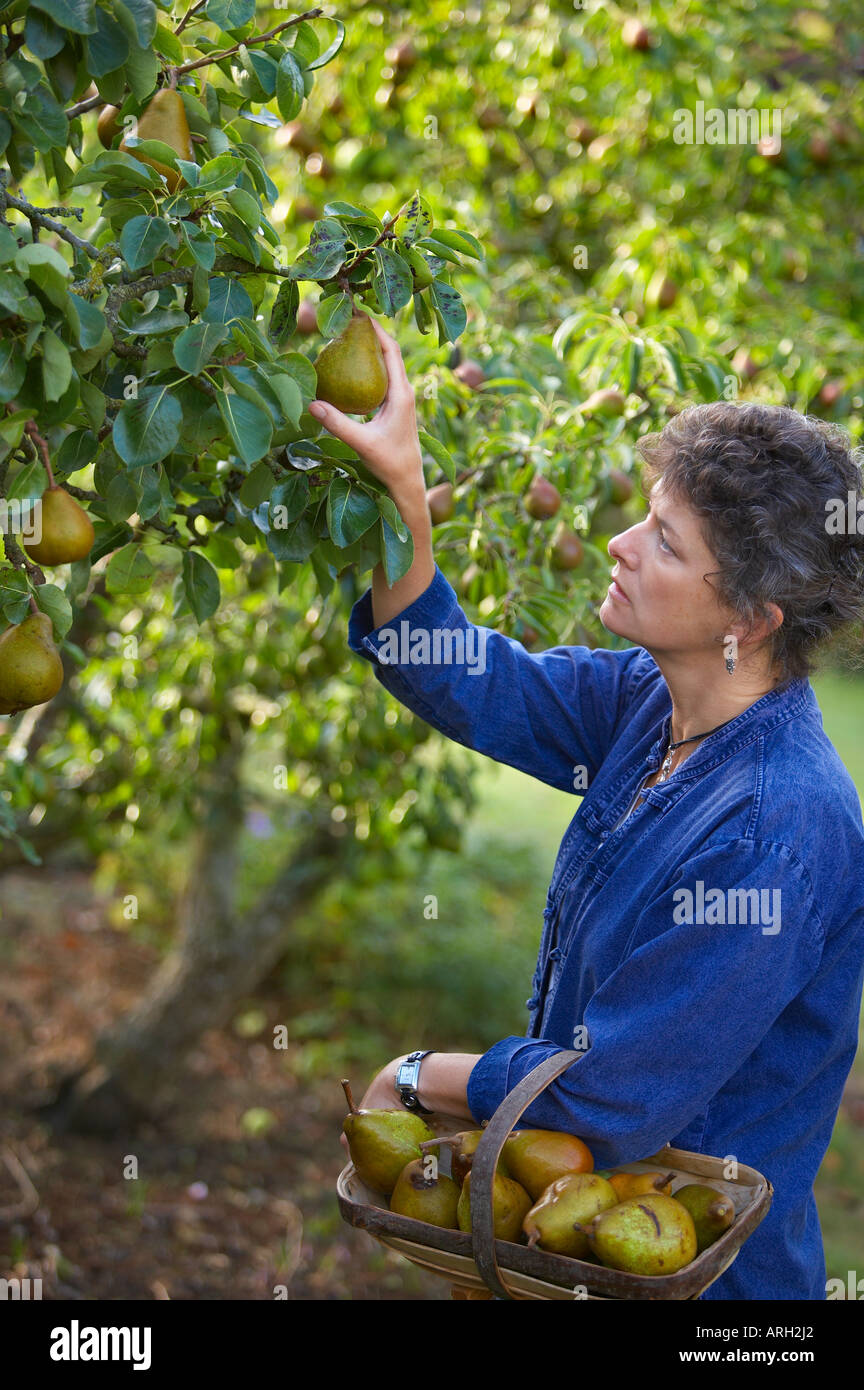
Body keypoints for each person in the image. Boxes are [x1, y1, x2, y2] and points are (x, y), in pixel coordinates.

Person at [311, 317, 864, 1299]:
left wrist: (419, 1074)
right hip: (574, 1241)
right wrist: (402, 495)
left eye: (662, 539)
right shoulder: (648, 705)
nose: (617, 542)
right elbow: (450, 669)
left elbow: (609, 1096)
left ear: (748, 619)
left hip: (705, 1284)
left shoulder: (773, 828)